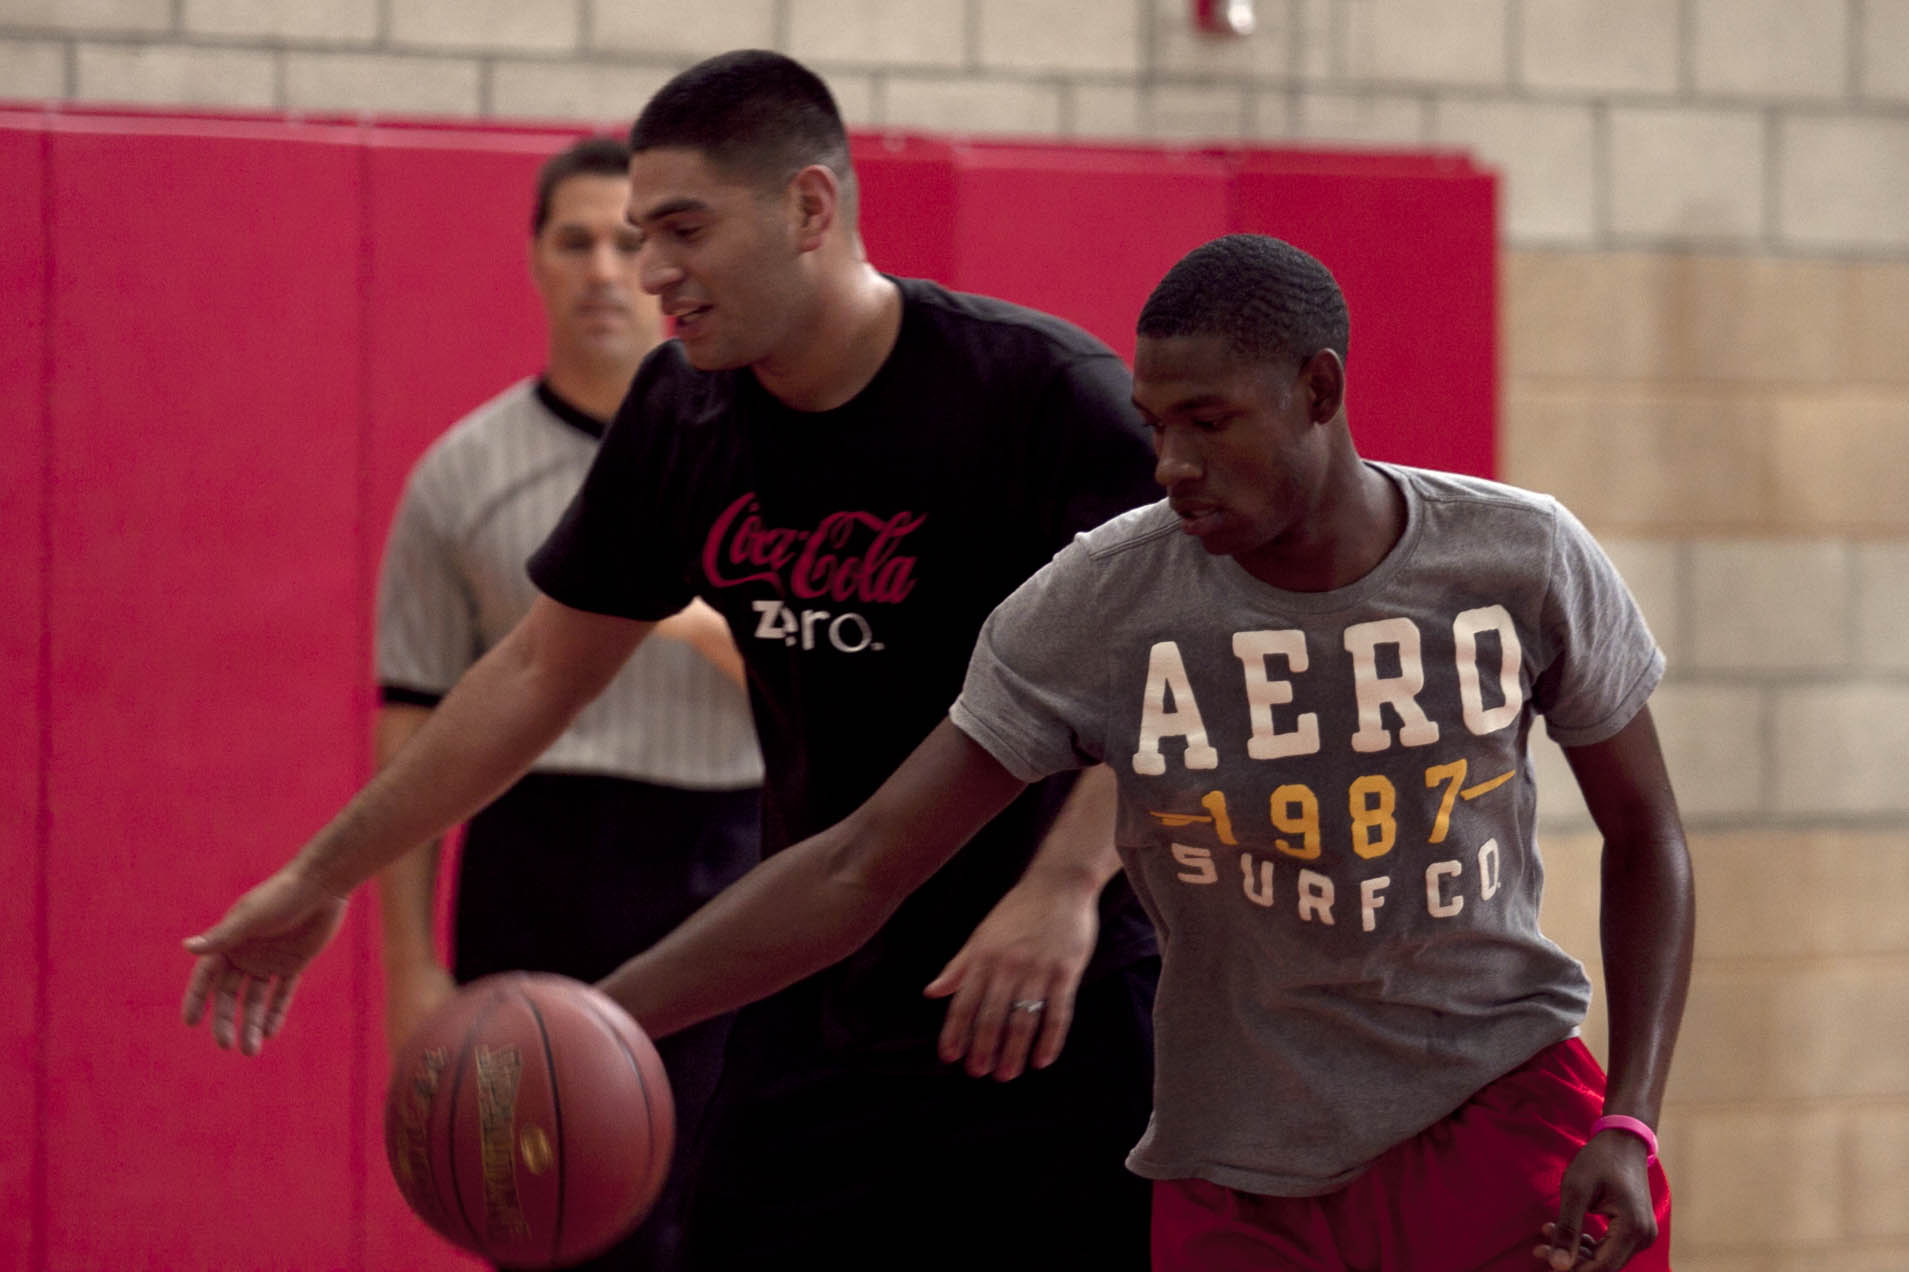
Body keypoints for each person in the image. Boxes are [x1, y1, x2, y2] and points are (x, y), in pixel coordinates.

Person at [508, 235, 1691, 1271]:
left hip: (1499, 1130)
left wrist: (1629, 1121)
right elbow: (858, 863)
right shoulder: (1103, 597)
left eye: (1208, 422)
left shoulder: (1518, 557)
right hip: (1238, 1169)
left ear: (1318, 390)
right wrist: (598, 1022)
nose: (1171, 463)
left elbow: (1647, 838)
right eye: (1154, 425)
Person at [183, 50, 1160, 1271]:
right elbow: (541, 670)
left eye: (682, 230)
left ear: (809, 208)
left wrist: (1066, 888)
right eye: (642, 235)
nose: (651, 274)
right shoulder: (682, 411)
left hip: (1041, 988)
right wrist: (325, 872)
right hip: (816, 965)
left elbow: (1181, 669)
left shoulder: (1043, 397)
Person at [372, 135, 763, 1271]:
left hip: (726, 856)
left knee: (721, 1209)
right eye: (575, 241)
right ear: (536, 260)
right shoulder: (460, 472)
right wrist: (410, 966)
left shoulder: (757, 452)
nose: (604, 268)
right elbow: (412, 727)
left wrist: (688, 619)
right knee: (545, 1216)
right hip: (532, 867)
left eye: (631, 242)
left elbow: (828, 674)